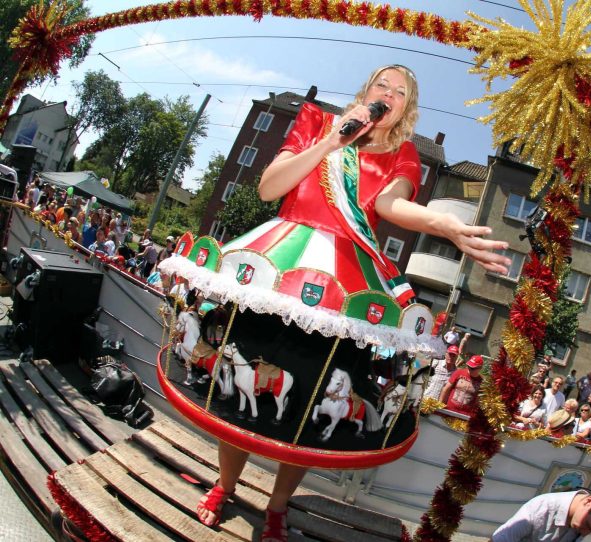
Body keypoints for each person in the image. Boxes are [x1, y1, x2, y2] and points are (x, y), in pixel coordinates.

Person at [157, 65, 513, 541]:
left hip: (340, 297)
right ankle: (225, 486)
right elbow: (269, 188)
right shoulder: (315, 123)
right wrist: (333, 141)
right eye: (382, 86)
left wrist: (444, 225)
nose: (388, 95)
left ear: (407, 109)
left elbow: (391, 207)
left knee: (306, 407)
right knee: (237, 391)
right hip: (277, 275)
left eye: (401, 92)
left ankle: (278, 508)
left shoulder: (404, 155)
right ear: (366, 91)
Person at [491, 484, 591, 541]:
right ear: (589, 502)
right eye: (587, 526)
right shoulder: (542, 507)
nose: (584, 533)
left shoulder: (582, 519)